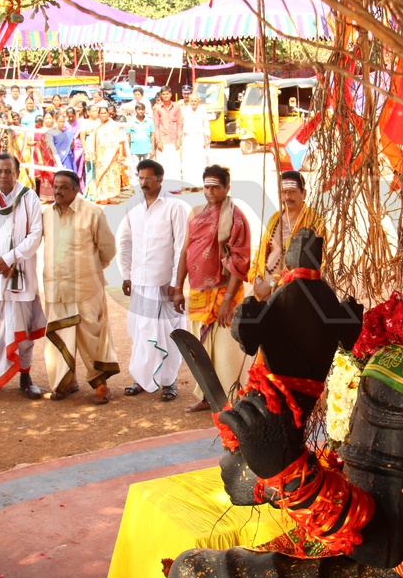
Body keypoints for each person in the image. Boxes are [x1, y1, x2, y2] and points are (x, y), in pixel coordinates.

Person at [174, 164, 251, 412]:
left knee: (226, 348)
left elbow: (240, 261)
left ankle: (233, 398)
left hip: (224, 291)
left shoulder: (236, 217)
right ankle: (208, 396)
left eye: (215, 188)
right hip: (198, 291)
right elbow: (186, 251)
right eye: (206, 187)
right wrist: (178, 287)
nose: (210, 192)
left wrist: (228, 300)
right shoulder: (195, 212)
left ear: (227, 188)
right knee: (201, 346)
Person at [0, 154, 47, 399]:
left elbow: (35, 234)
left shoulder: (28, 198)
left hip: (20, 274)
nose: (3, 176)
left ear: (17, 172)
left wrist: (11, 258)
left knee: (22, 330)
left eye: (8, 171)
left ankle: (25, 377)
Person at [40, 170, 119, 404]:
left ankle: (100, 385)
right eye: (55, 186)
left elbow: (108, 248)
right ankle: (65, 382)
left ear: (76, 190)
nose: (57, 191)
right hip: (56, 288)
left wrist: (93, 269)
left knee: (91, 336)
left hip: (86, 288)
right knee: (59, 335)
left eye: (64, 187)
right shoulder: (47, 214)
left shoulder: (92, 213)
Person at [117, 158, 188, 401]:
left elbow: (182, 247)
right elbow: (124, 242)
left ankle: (169, 382)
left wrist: (176, 283)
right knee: (140, 332)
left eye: (148, 178)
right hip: (139, 282)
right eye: (140, 178)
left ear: (160, 179)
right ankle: (142, 379)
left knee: (167, 332)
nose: (143, 183)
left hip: (164, 283)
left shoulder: (175, 207)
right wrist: (126, 275)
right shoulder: (133, 208)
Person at [251, 170, 326, 299]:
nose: (287, 197)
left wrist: (272, 284)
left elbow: (311, 266)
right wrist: (259, 283)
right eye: (283, 192)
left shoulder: (314, 222)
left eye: (292, 192)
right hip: (264, 295)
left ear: (304, 193)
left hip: (295, 297)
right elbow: (259, 257)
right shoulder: (274, 219)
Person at [84, 103, 128, 204]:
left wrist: (121, 153)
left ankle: (113, 197)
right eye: (102, 113)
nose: (104, 115)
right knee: (102, 176)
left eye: (105, 113)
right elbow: (92, 142)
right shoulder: (97, 126)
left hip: (113, 156)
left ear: (108, 114)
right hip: (100, 157)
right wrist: (91, 154)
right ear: (99, 115)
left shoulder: (114, 125)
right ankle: (103, 197)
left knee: (112, 175)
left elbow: (120, 140)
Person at [180, 89, 212, 185]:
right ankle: (188, 182)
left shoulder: (202, 111)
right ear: (189, 101)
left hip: (199, 138)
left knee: (200, 160)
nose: (193, 103)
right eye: (192, 101)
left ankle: (200, 182)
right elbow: (181, 125)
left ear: (199, 101)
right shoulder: (184, 111)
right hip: (188, 138)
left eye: (195, 101)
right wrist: (180, 138)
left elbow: (206, 124)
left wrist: (209, 138)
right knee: (188, 160)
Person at [151, 87, 182, 179]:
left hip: (174, 140)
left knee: (175, 164)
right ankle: (163, 187)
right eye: (163, 94)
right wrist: (158, 141)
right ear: (161, 95)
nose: (166, 96)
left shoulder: (176, 107)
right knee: (163, 165)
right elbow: (156, 126)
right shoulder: (157, 109)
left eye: (167, 94)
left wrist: (179, 139)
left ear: (171, 94)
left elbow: (180, 124)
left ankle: (175, 187)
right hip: (163, 141)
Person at [125, 101, 154, 189]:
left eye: (142, 110)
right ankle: (136, 185)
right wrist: (128, 149)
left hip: (147, 148)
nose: (141, 111)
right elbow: (128, 135)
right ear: (136, 110)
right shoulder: (131, 121)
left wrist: (152, 148)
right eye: (139, 110)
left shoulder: (149, 121)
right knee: (135, 168)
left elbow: (152, 135)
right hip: (135, 148)